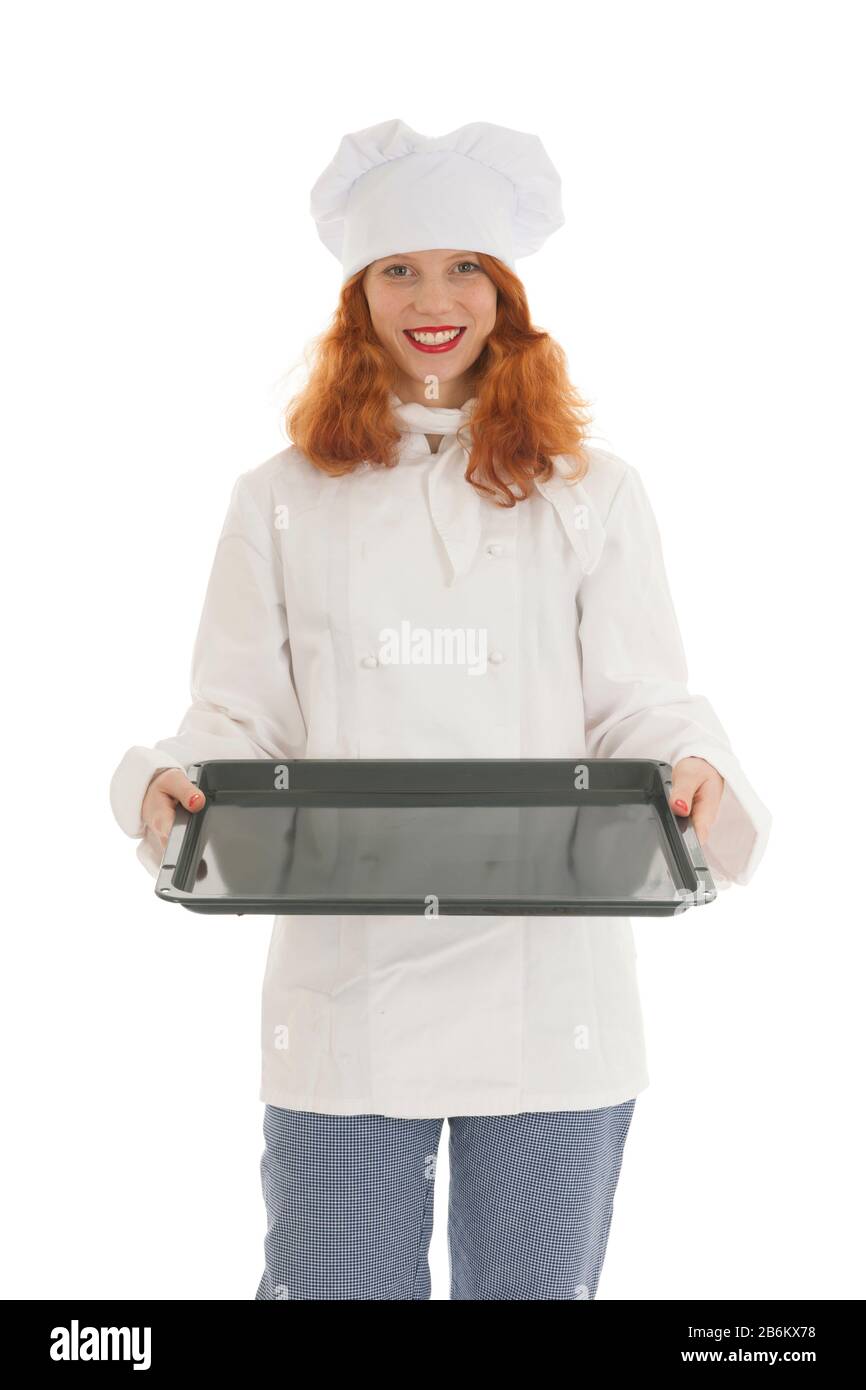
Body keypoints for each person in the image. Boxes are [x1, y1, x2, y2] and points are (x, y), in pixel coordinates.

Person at [109, 118, 771, 1300]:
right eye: (398, 268)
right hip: (346, 982)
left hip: (548, 983)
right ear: (356, 297)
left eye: (464, 265)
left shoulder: (593, 492)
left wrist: (690, 772)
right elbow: (238, 717)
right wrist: (171, 780)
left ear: (507, 296)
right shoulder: (277, 499)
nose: (433, 297)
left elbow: (640, 704)